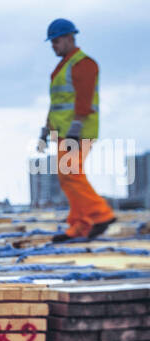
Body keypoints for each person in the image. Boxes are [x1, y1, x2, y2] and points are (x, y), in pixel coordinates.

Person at [38, 19, 114, 240]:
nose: (54, 45)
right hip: (63, 131)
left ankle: (100, 215)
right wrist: (45, 130)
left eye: (57, 41)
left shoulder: (84, 64)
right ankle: (81, 225)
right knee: (67, 177)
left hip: (77, 131)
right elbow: (56, 104)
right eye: (52, 42)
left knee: (71, 173)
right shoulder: (62, 68)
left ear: (71, 38)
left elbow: (84, 98)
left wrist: (76, 126)